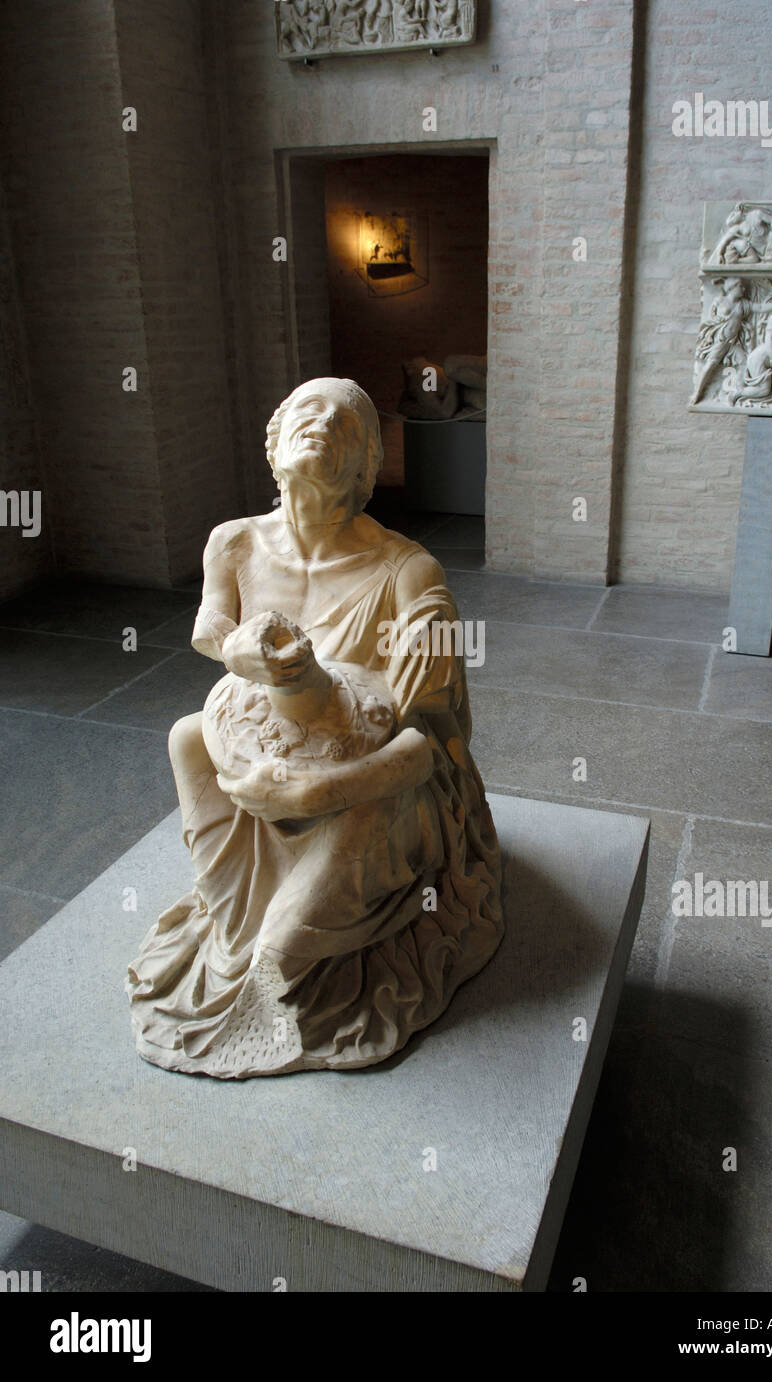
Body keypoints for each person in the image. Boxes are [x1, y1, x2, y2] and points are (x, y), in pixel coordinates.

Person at [126, 378, 503, 1077]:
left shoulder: (406, 574)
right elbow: (210, 623)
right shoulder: (233, 542)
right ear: (274, 444)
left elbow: (430, 746)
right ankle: (238, 926)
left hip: (382, 775)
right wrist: (232, 647)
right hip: (282, 742)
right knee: (186, 736)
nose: (322, 422)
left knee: (345, 839)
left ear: (366, 467)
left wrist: (311, 797)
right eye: (306, 410)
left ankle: (279, 957)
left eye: (346, 423)